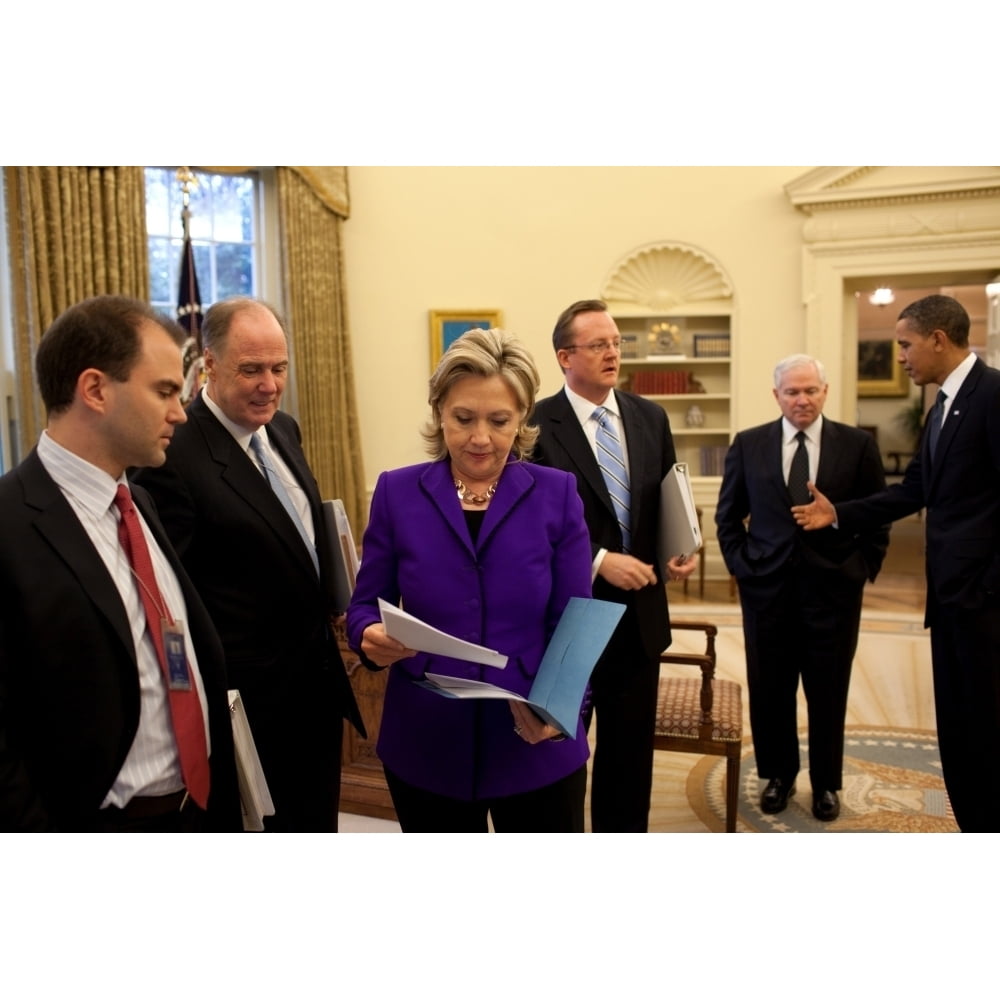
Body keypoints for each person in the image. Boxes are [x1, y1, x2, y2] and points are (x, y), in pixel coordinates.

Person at [0, 295, 240, 832]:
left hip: (198, 808)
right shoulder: (10, 525)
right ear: (95, 390)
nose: (181, 411)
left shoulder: (139, 502)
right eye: (164, 392)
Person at [346, 328, 595, 832]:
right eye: (463, 419)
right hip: (426, 740)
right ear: (439, 411)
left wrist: (562, 708)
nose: (480, 438)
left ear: (522, 418)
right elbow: (364, 606)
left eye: (499, 421)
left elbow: (577, 624)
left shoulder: (558, 493)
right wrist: (368, 635)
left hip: (534, 740)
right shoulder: (397, 492)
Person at [134, 296, 364, 832]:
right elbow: (173, 600)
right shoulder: (174, 455)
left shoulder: (284, 429)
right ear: (209, 363)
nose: (269, 384)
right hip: (248, 710)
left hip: (316, 692)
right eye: (252, 369)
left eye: (279, 368)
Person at [792, 295, 1000, 832]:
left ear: (938, 339)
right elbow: (916, 491)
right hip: (951, 599)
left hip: (984, 605)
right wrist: (839, 513)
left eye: (905, 344)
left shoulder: (994, 395)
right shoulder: (941, 407)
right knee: (958, 728)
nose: (901, 356)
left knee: (986, 730)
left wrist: (990, 588)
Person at [532, 300, 696, 833]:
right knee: (559, 753)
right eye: (598, 344)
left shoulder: (651, 416)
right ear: (565, 356)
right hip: (568, 618)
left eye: (616, 343)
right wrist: (600, 560)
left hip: (641, 613)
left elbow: (665, 495)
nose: (612, 353)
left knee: (629, 760)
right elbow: (529, 526)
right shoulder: (535, 425)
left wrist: (678, 545)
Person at [716, 355, 889, 822]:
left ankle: (827, 784)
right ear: (777, 396)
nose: (802, 399)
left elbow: (877, 514)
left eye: (811, 390)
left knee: (828, 692)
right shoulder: (749, 445)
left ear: (825, 392)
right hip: (765, 592)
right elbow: (727, 516)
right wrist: (741, 567)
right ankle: (778, 776)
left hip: (833, 594)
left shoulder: (856, 446)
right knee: (770, 690)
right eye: (792, 392)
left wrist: (861, 567)